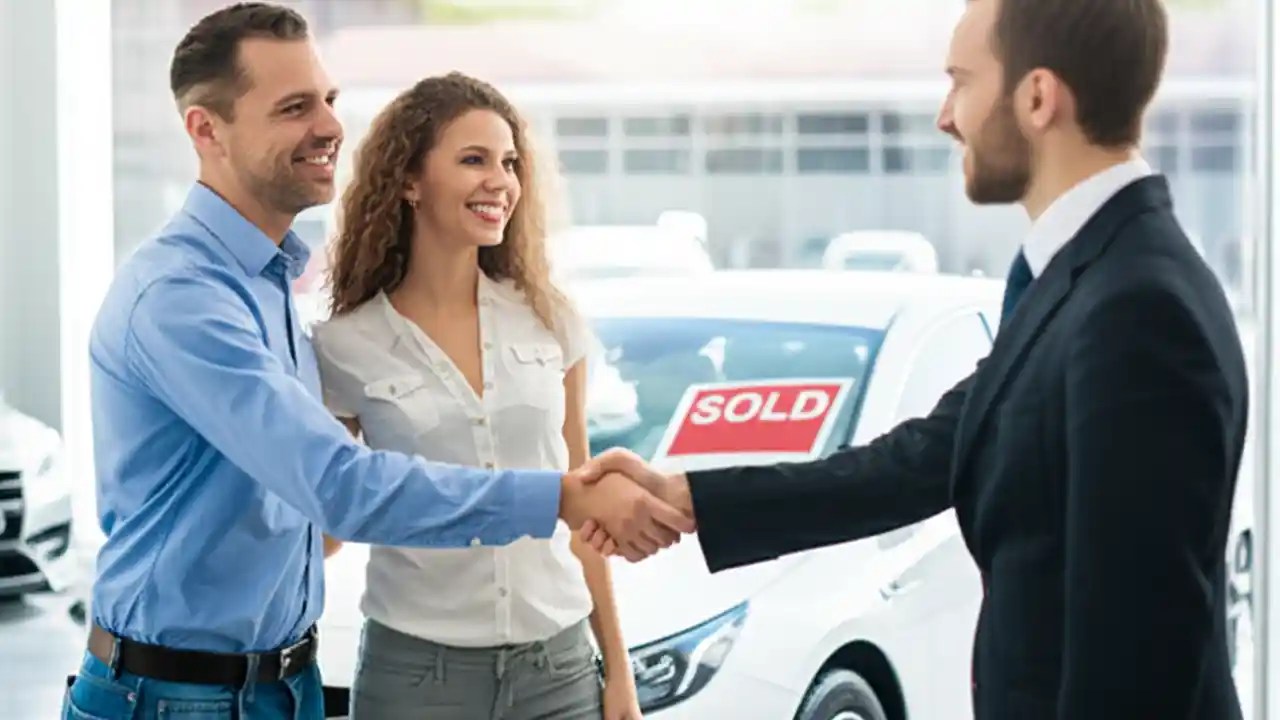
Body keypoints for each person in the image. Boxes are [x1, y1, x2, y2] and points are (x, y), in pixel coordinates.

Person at [583, 0, 1249, 717]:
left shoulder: (1140, 311)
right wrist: (687, 497)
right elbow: (919, 462)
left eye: (960, 81)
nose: (945, 116)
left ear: (1036, 97)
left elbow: (1136, 664)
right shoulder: (1084, 281)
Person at [66, 4, 688, 719]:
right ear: (207, 131)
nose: (330, 125)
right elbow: (340, 489)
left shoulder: (268, 290)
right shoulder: (181, 300)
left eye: (328, 101)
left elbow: (299, 518)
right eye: (295, 107)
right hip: (180, 696)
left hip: (283, 684)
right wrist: (562, 497)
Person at [311, 72, 642, 720]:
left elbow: (584, 510)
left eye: (510, 163)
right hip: (415, 679)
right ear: (409, 181)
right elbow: (327, 527)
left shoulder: (550, 320)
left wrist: (618, 673)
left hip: (560, 669)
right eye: (473, 160)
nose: (502, 181)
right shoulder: (343, 347)